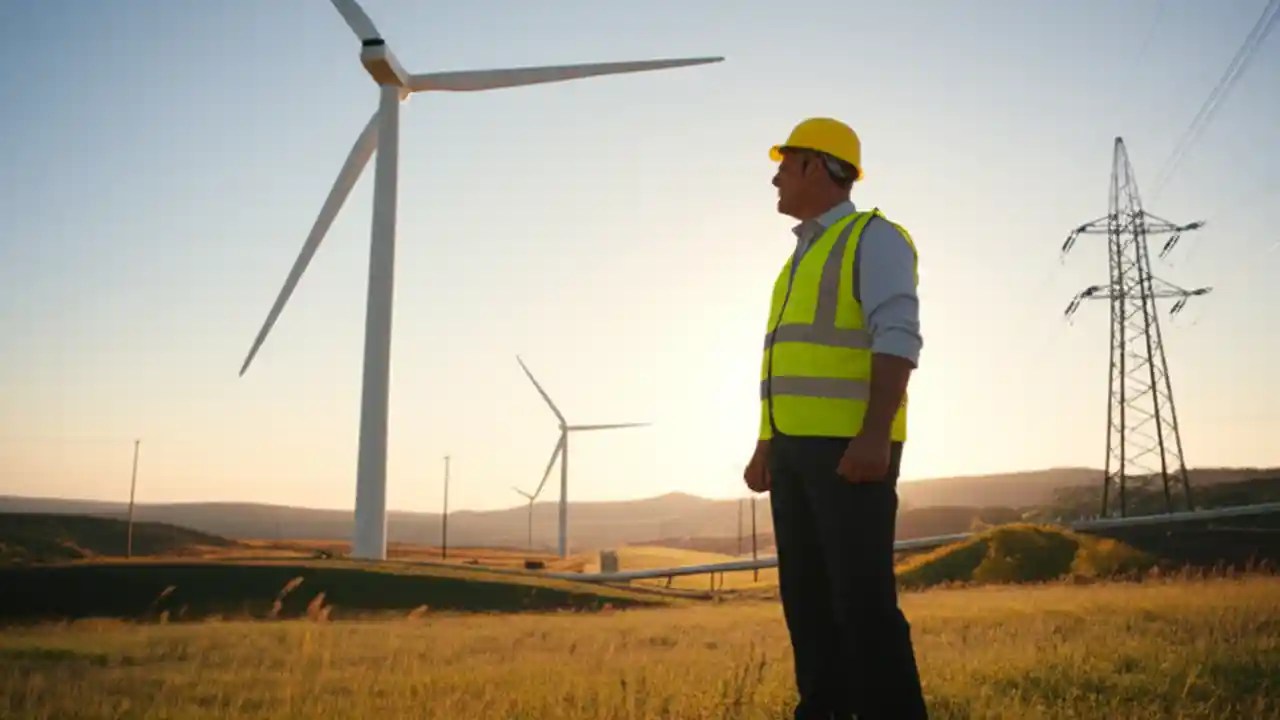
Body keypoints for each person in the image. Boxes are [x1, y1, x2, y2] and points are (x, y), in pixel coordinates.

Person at [744, 117, 929, 719]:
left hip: (850, 452)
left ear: (815, 166)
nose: (774, 177)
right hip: (796, 452)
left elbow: (898, 334)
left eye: (784, 162)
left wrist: (874, 436)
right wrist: (767, 443)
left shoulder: (874, 238)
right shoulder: (798, 259)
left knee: (862, 604)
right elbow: (784, 362)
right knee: (806, 601)